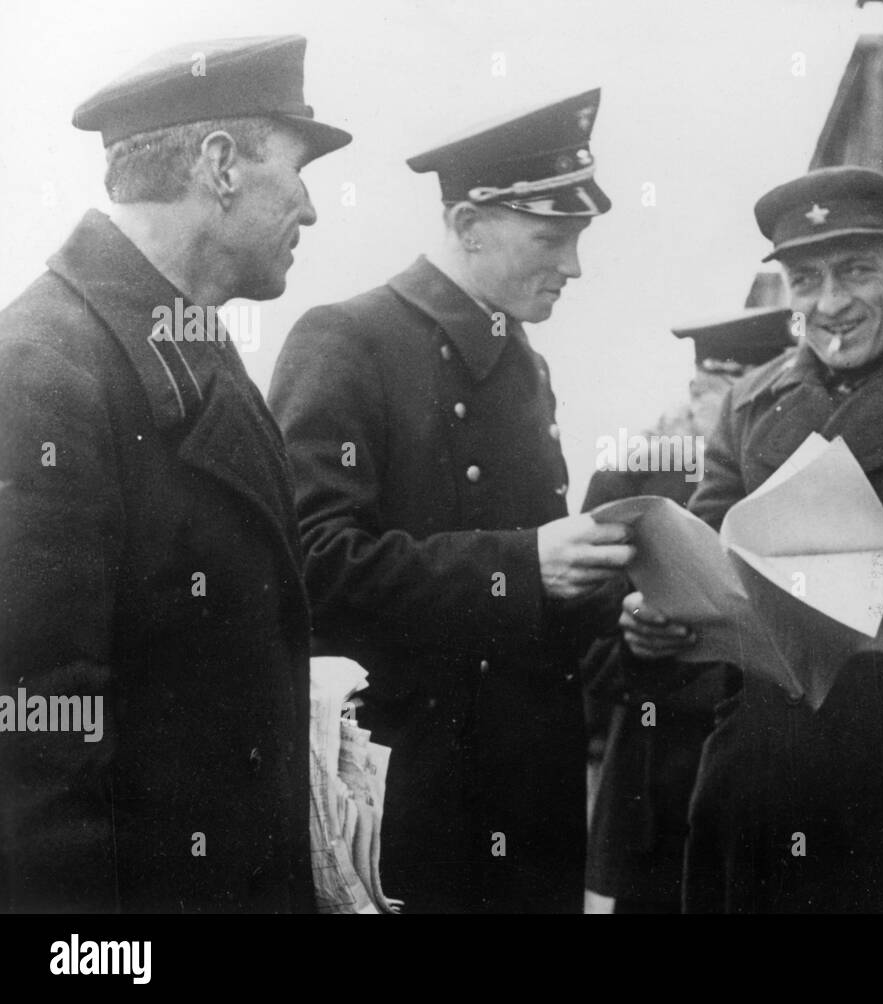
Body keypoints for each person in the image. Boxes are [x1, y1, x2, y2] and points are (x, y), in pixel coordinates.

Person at [0, 35, 350, 912]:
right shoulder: (42, 371)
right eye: (298, 169)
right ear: (221, 164)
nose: (310, 210)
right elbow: (33, 742)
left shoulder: (191, 344)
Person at [269, 89, 633, 913]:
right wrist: (527, 563)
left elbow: (537, 599)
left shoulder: (525, 363)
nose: (573, 266)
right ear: (470, 226)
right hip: (412, 795)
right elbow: (308, 563)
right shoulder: (348, 340)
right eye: (551, 238)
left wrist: (621, 590)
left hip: (528, 790)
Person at [621, 166, 883, 912]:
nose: (829, 305)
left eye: (855, 271)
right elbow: (707, 562)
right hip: (772, 769)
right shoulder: (751, 402)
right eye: (805, 281)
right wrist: (658, 622)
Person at [583, 306, 793, 913]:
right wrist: (634, 633)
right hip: (659, 787)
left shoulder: (798, 478)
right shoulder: (631, 481)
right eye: (716, 389)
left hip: (773, 782)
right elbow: (587, 652)